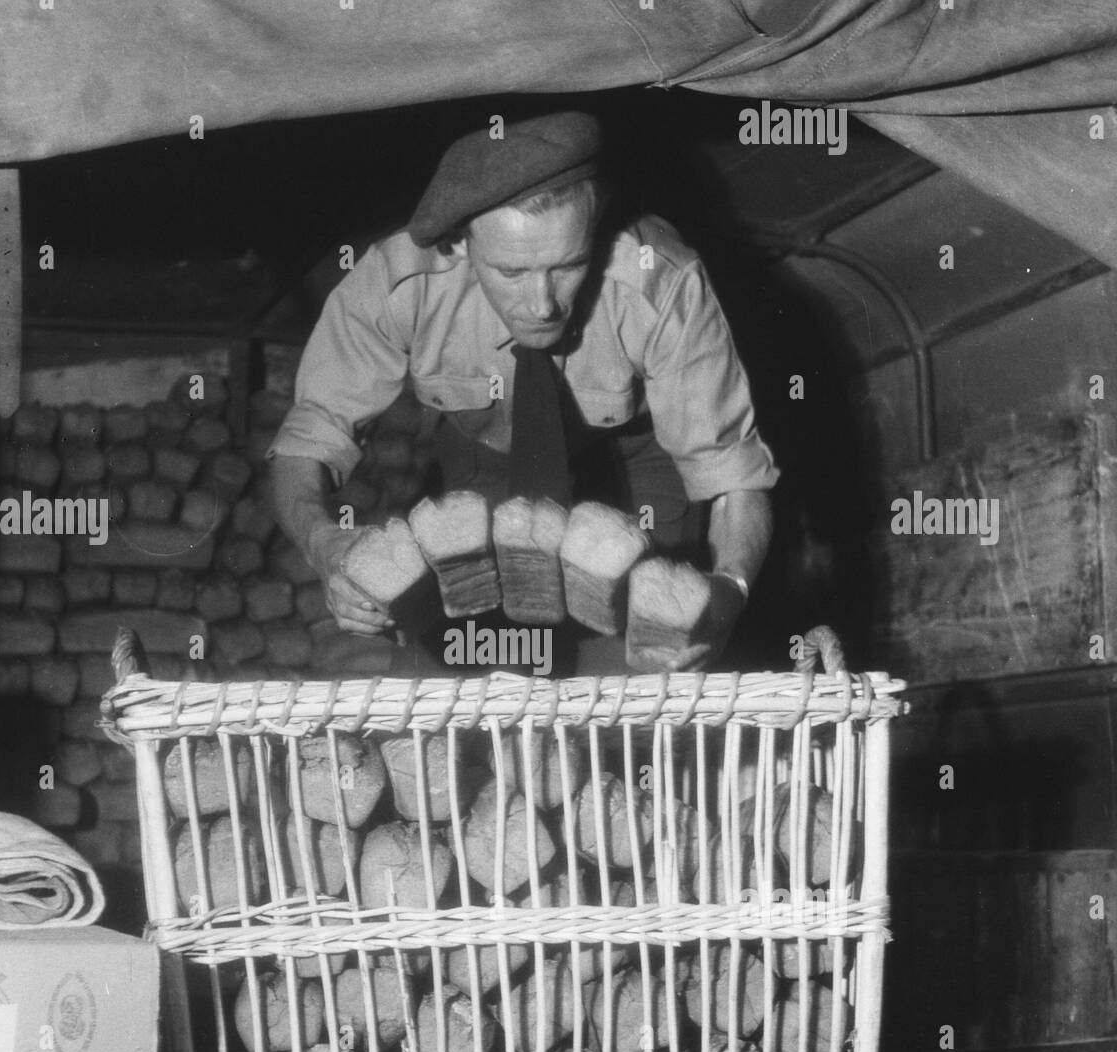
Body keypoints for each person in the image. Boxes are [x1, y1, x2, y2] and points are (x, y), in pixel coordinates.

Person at [267, 111, 775, 674]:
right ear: (459, 245)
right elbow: (308, 440)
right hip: (486, 461)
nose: (543, 304)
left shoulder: (662, 283)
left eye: (569, 265)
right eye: (511, 272)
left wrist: (731, 588)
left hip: (635, 463)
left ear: (597, 222)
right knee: (458, 678)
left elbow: (731, 474)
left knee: (642, 676)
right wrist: (323, 547)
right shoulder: (395, 283)